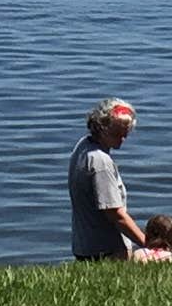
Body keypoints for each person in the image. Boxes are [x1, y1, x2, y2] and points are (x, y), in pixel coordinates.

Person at [69, 98, 165, 261]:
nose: (121, 139)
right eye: (116, 134)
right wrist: (147, 246)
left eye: (125, 134)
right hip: (105, 249)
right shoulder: (101, 162)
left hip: (84, 244)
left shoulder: (83, 146)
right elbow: (115, 214)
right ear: (101, 127)